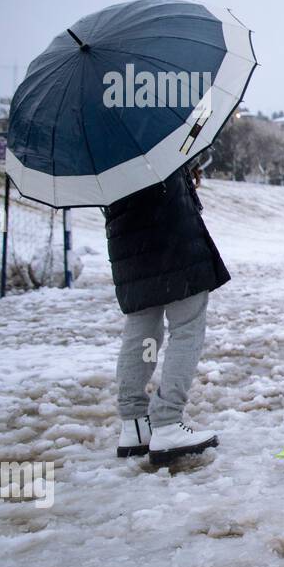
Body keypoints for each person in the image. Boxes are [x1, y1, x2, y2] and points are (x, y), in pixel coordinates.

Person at [105, 163, 228, 464]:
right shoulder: (152, 125)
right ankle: (168, 422)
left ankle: (134, 424)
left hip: (127, 243)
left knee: (141, 329)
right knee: (186, 327)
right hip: (172, 236)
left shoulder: (95, 140)